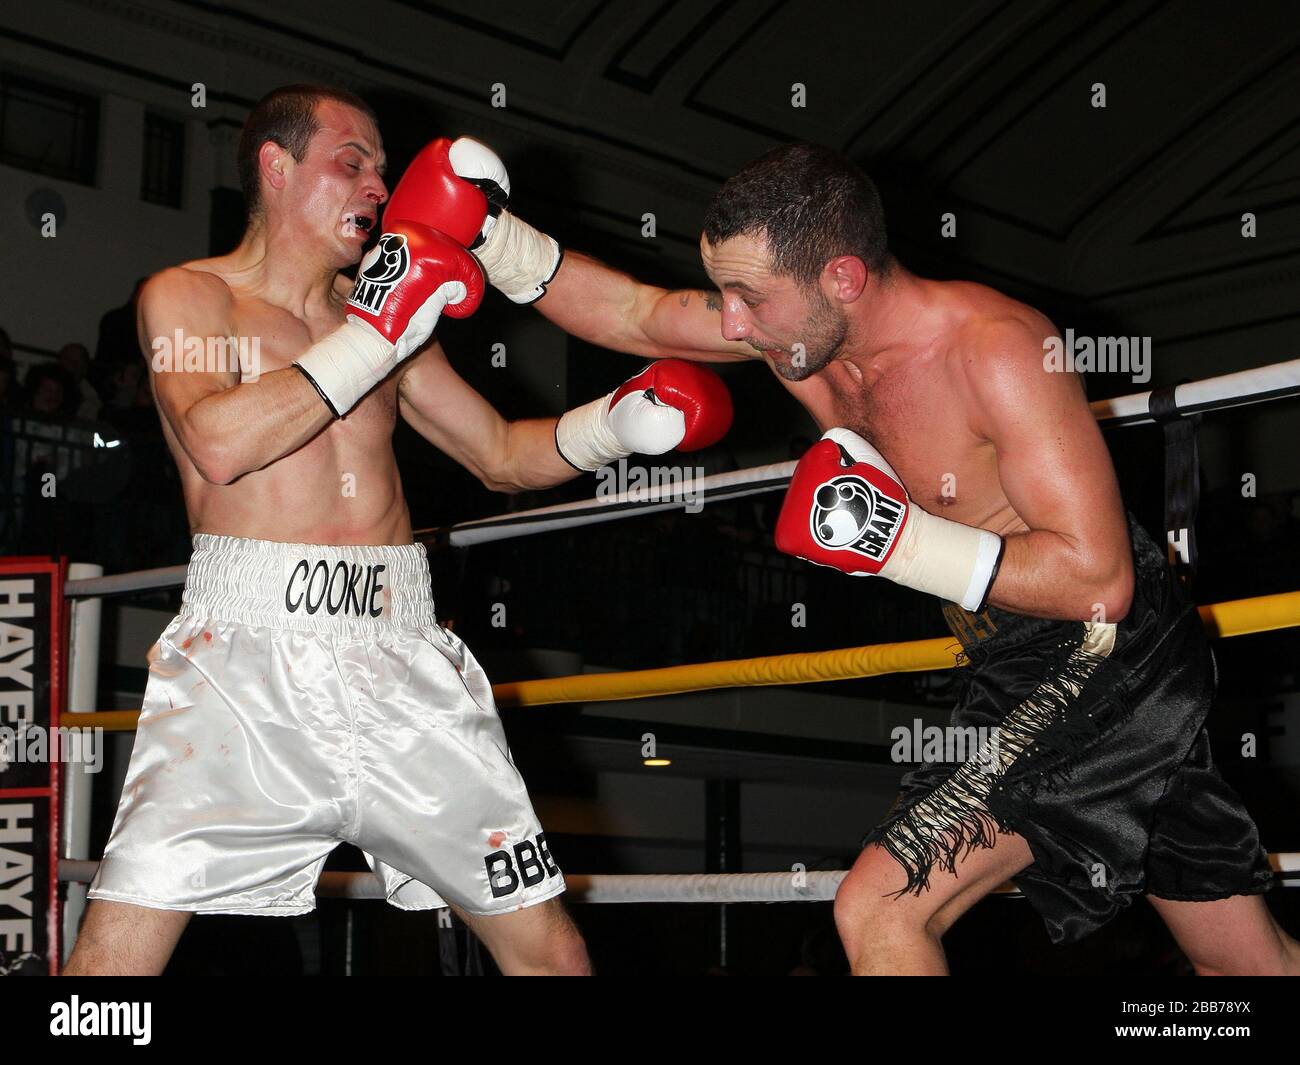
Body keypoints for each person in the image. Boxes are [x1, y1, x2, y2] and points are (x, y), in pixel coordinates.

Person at [418, 138, 1299, 975]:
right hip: (1009, 652)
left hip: (1107, 654)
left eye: (748, 298)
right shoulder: (800, 333)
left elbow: (1100, 580)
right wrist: (494, 236)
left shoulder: (995, 350)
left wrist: (898, 541)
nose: (730, 321)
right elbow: (638, 313)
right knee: (1241, 962)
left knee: (880, 905)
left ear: (842, 275)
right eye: (725, 293)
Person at [65, 85, 730, 976]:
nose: (380, 186)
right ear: (275, 165)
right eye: (353, 163)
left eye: (384, 169)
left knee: (553, 952)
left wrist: (618, 422)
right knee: (114, 963)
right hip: (244, 666)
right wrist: (379, 328)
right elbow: (218, 443)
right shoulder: (192, 298)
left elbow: (498, 452)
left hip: (402, 655)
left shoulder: (387, 309)